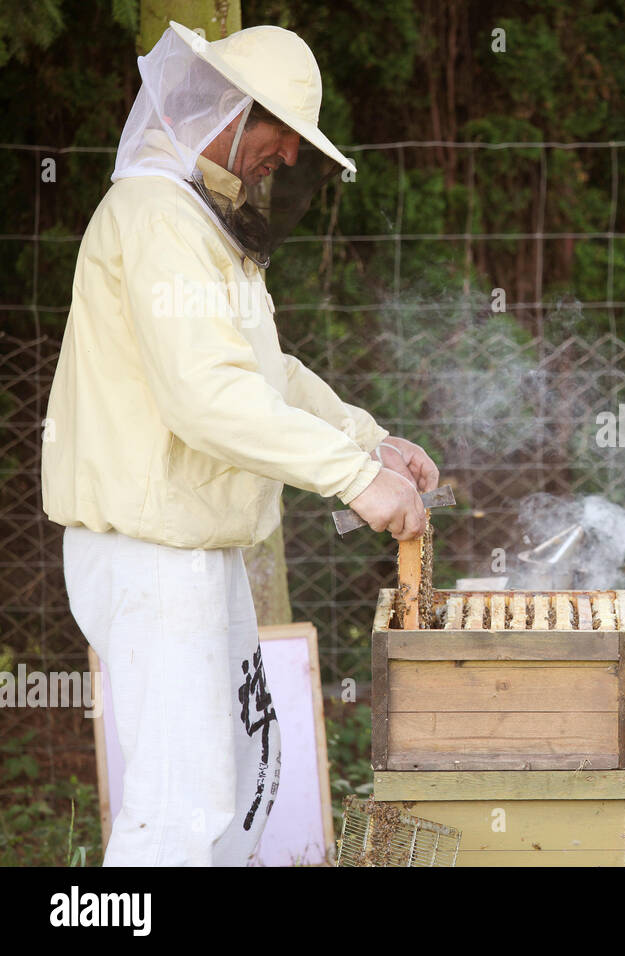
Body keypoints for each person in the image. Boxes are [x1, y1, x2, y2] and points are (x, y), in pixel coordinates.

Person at [40, 23, 436, 865]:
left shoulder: (197, 220)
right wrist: (350, 480)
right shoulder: (154, 216)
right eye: (279, 131)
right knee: (179, 810)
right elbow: (207, 398)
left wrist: (370, 443)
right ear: (225, 109)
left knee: (244, 778)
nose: (288, 157)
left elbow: (264, 371)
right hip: (151, 552)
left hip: (192, 547)